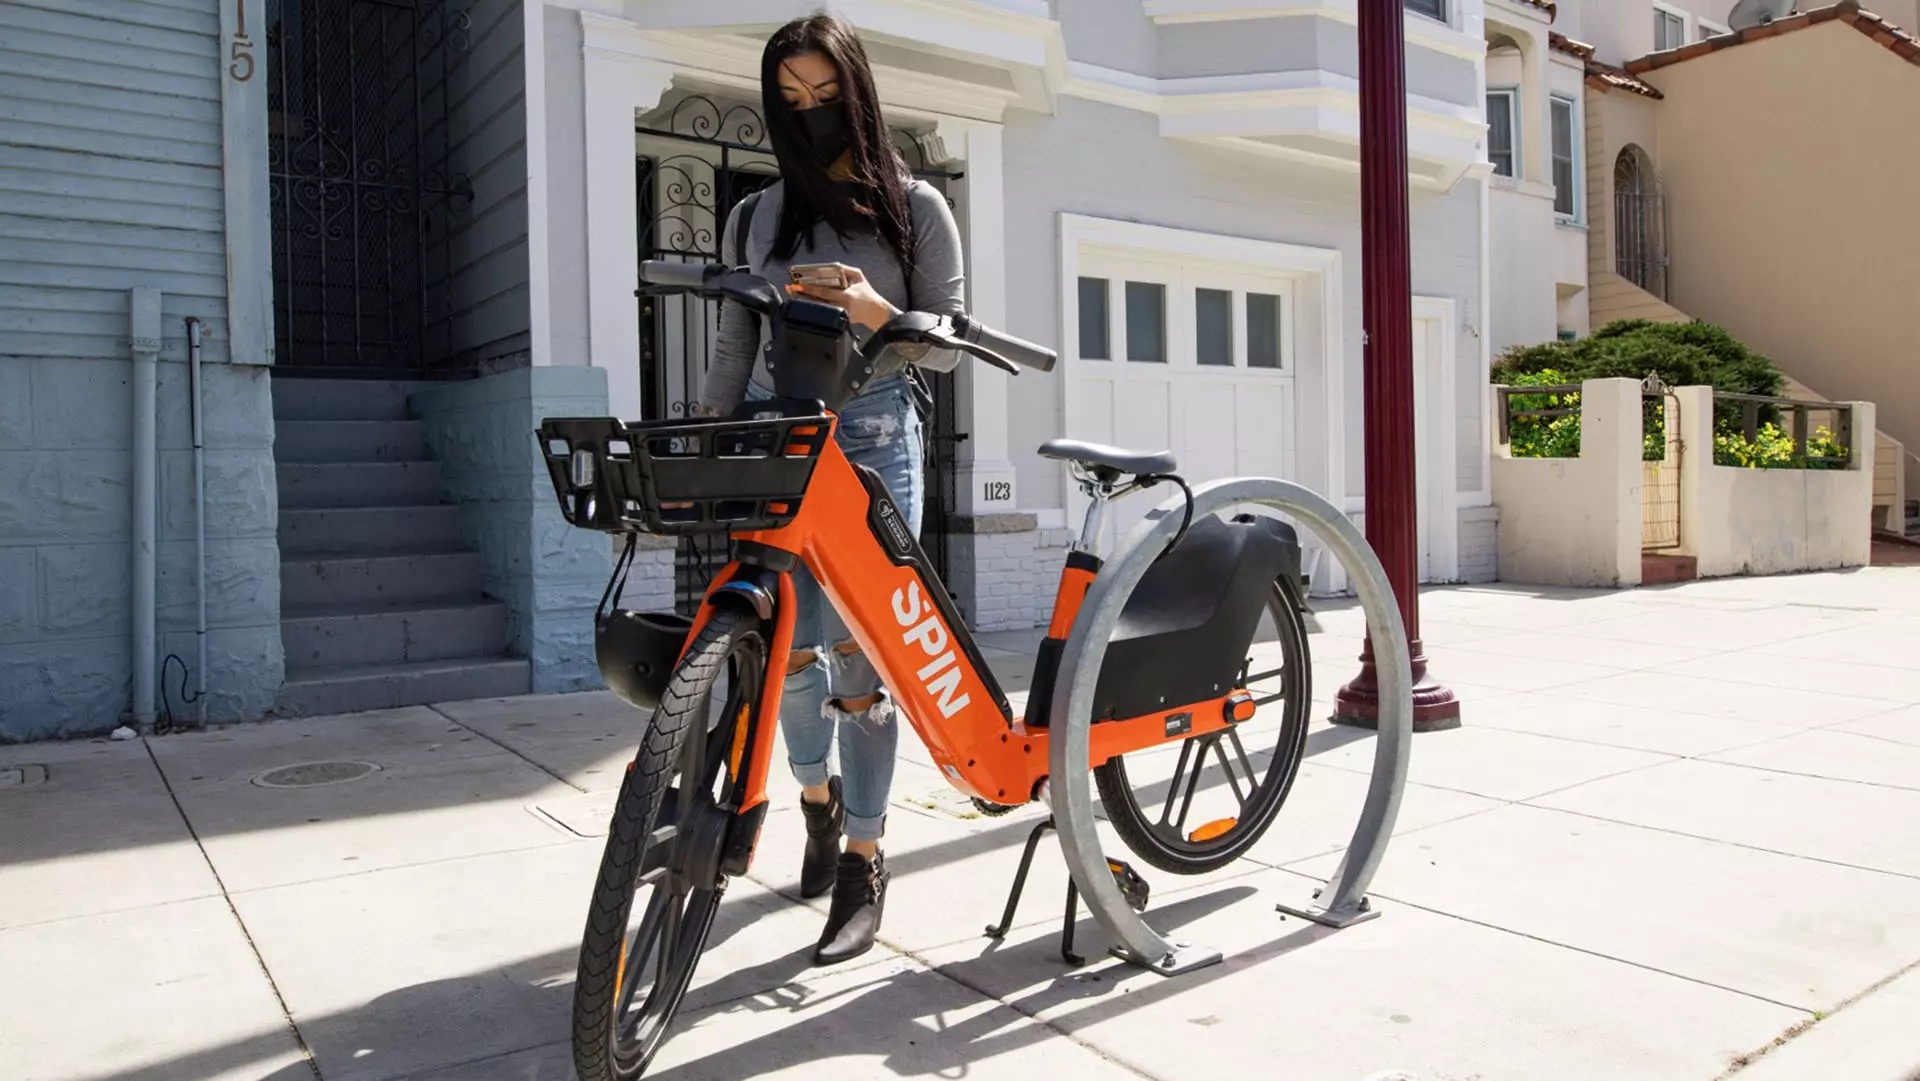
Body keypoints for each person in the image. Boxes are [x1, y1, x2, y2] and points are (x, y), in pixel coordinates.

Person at [696, 12, 966, 965]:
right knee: (788, 655)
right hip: (781, 429)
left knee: (861, 657)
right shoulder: (754, 215)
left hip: (878, 430)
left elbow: (944, 345)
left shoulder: (916, 207)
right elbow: (735, 343)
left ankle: (863, 856)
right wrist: (716, 442)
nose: (810, 116)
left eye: (826, 98)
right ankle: (814, 802)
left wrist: (875, 308)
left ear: (858, 93)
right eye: (791, 102)